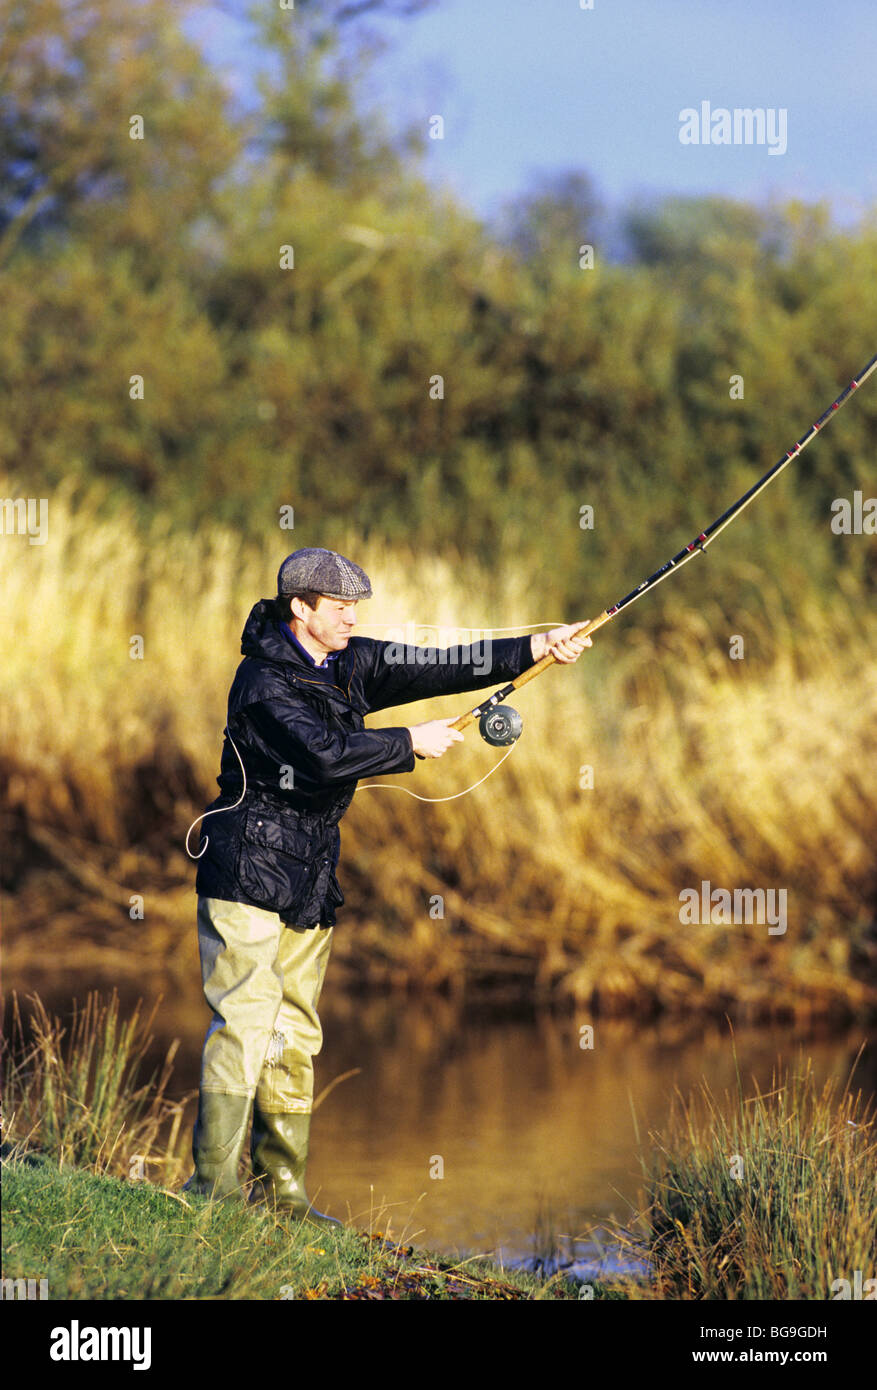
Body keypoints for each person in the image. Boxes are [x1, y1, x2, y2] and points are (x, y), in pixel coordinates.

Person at [183, 547, 592, 1225]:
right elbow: (321, 756)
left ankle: (281, 1195)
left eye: (355, 608)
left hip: (311, 875)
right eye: (339, 607)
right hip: (247, 866)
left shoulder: (352, 661)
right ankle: (213, 1189)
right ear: (301, 608)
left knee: (295, 1031)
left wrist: (535, 647)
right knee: (245, 1023)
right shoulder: (260, 684)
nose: (351, 617)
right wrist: (409, 744)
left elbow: (441, 665)